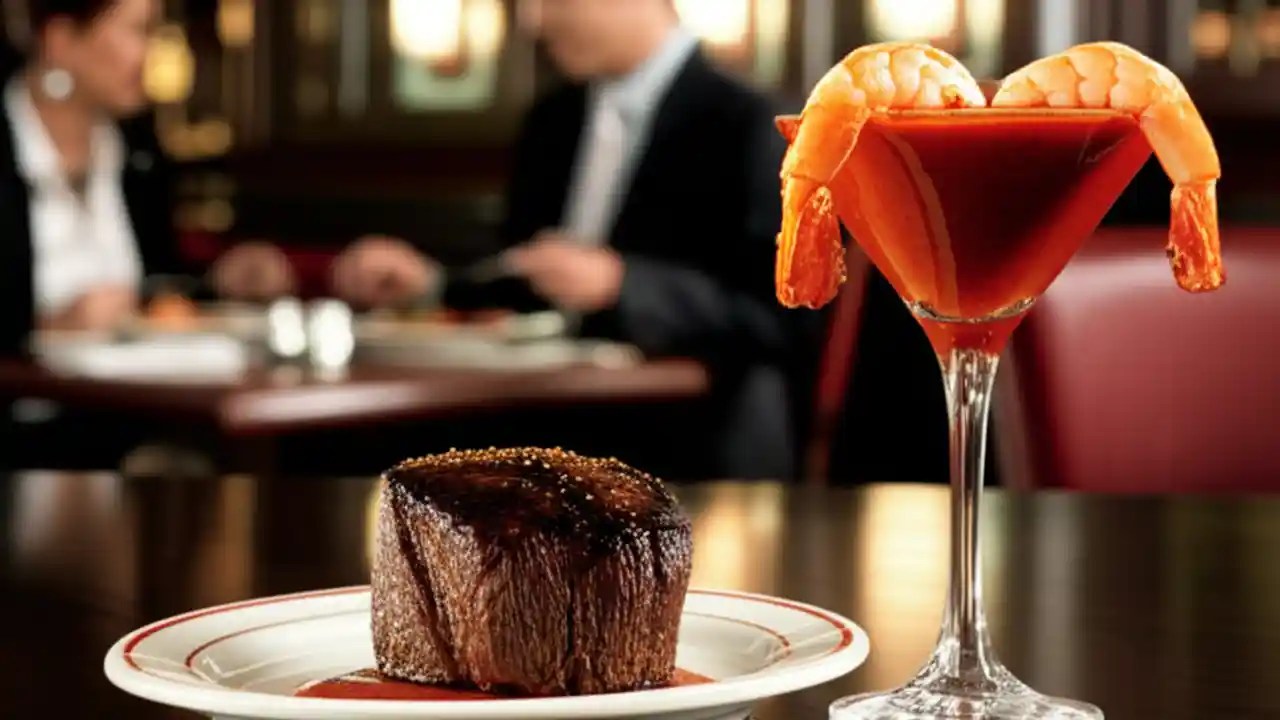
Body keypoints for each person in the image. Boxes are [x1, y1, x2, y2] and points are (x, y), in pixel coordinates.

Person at [330, 0, 817, 479]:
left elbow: (785, 314)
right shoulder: (551, 120)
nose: (532, 19)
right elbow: (522, 271)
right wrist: (432, 282)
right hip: (547, 441)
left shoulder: (754, 121)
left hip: (695, 450)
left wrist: (621, 284)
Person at [0, 0, 294, 355]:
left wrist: (218, 281)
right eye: (140, 31)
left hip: (134, 401)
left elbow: (155, 288)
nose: (156, 53)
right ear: (61, 41)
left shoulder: (137, 149)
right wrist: (44, 328)